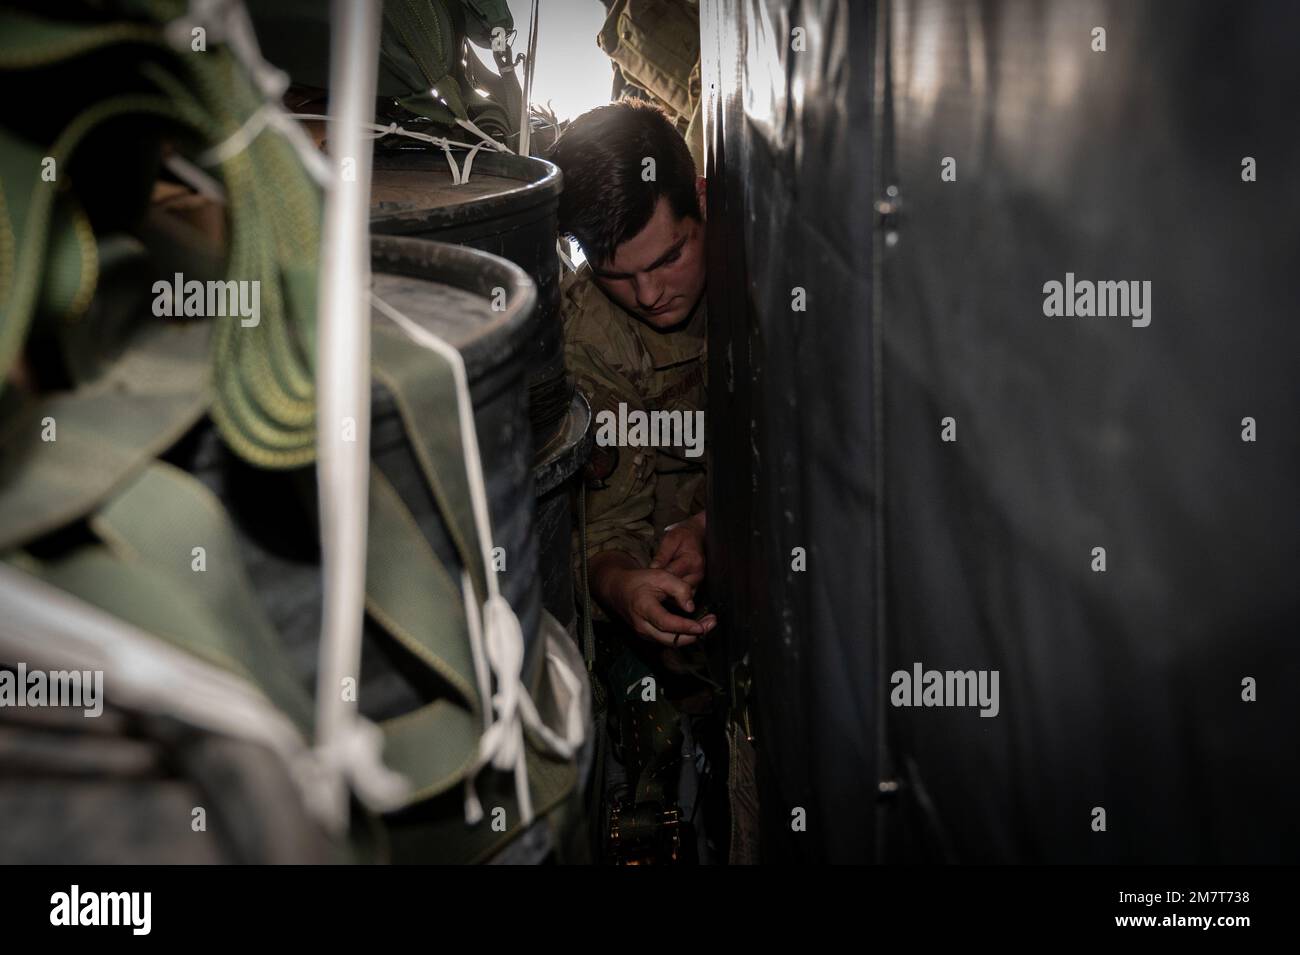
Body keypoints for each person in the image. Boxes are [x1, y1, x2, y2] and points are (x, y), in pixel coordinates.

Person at [549, 99, 722, 860]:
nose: (650, 295)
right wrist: (625, 586)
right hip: (663, 573)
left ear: (705, 201)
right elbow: (608, 528)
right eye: (620, 276)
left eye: (669, 258)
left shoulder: (777, 264)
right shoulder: (593, 335)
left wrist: (724, 525)